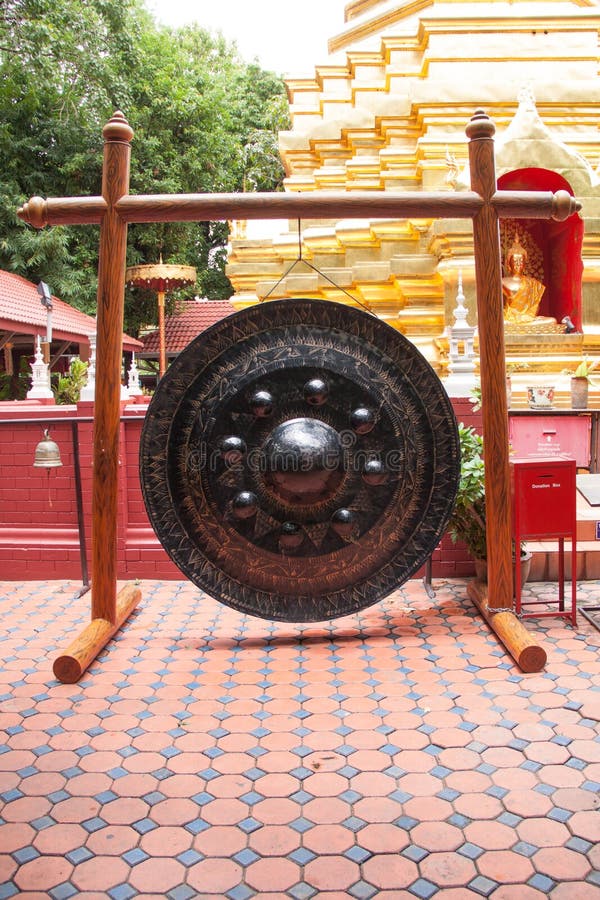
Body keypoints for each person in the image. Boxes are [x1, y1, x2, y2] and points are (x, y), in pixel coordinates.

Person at [502, 233, 556, 327]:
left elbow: (534, 308)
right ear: (508, 264)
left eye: (521, 261)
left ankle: (522, 326)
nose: (518, 264)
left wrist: (527, 316)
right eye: (515, 261)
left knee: (552, 321)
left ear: (525, 264)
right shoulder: (502, 281)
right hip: (510, 319)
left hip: (528, 319)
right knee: (502, 323)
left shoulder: (532, 283)